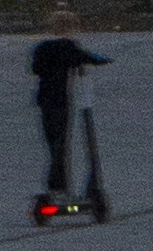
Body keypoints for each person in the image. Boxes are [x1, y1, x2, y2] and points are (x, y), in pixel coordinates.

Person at [29, 29, 105, 222]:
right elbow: (88, 58)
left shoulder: (43, 49)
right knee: (60, 145)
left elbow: (35, 69)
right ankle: (57, 186)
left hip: (45, 101)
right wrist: (100, 60)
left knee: (55, 144)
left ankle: (58, 187)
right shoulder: (66, 47)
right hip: (60, 103)